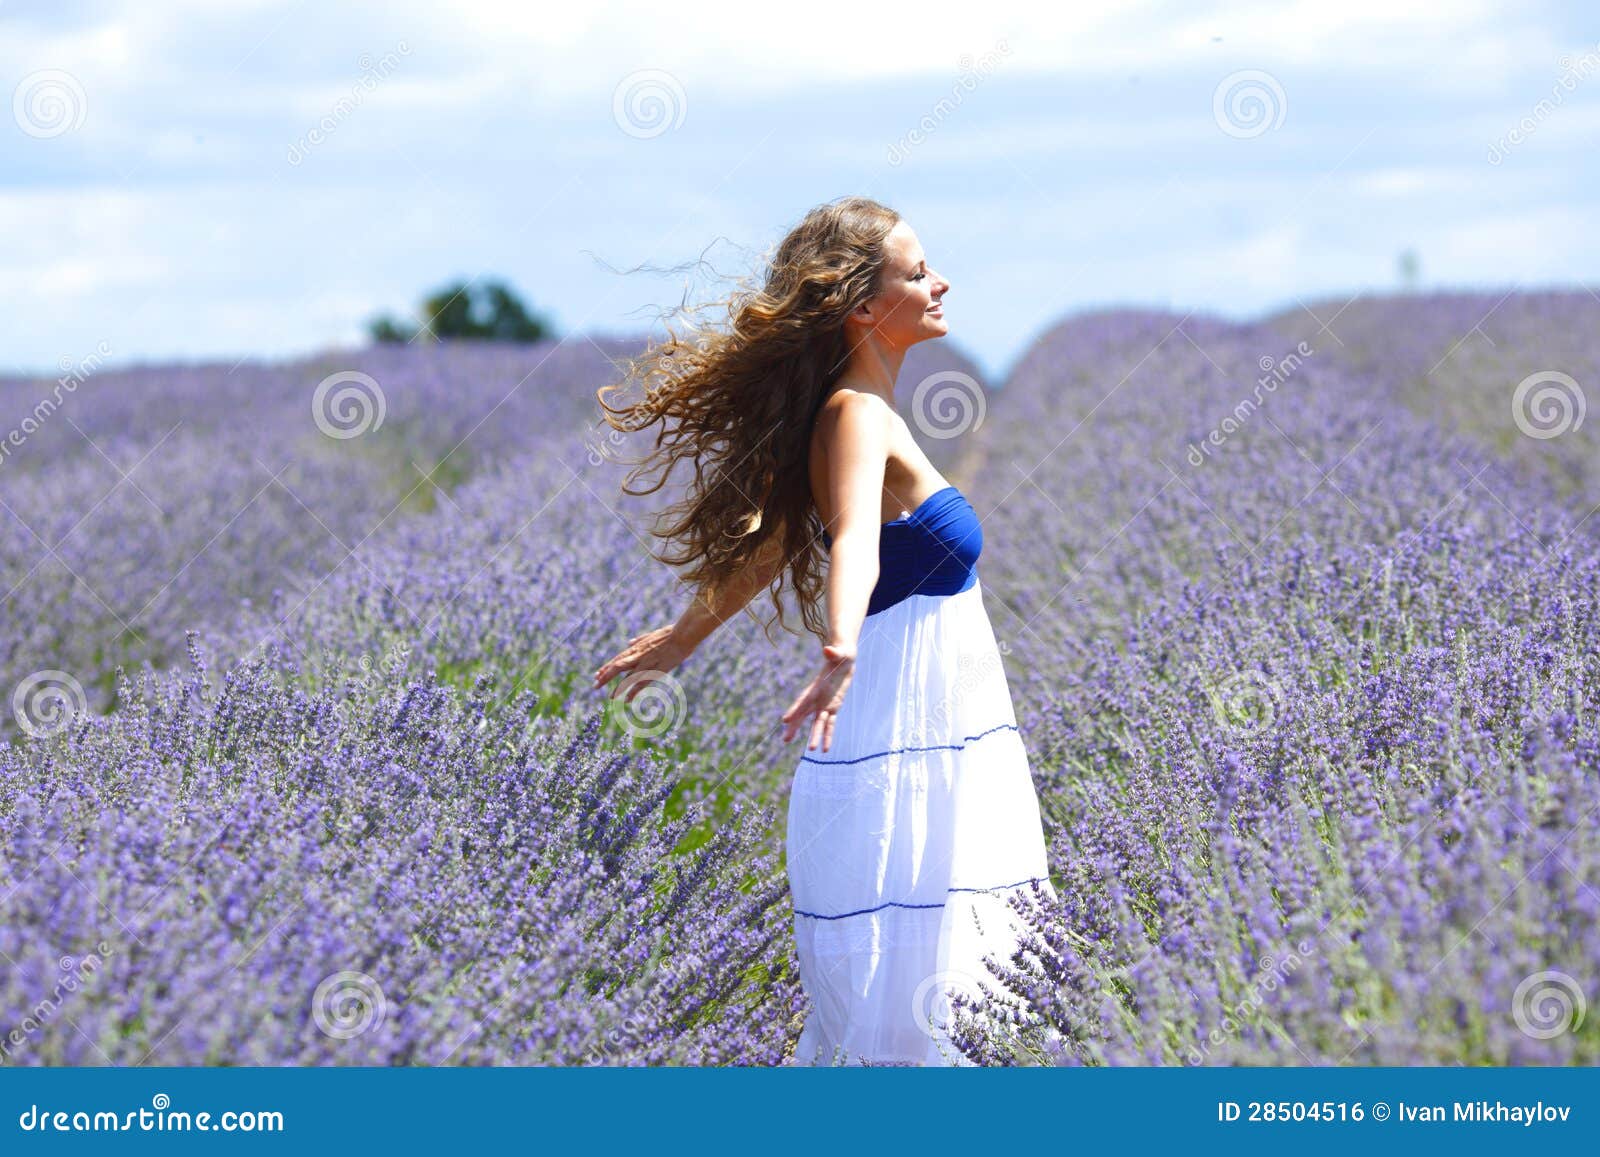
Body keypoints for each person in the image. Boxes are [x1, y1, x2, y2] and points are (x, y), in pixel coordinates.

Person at [590, 195, 1057, 1066]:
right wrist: (840, 643)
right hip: (901, 721)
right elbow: (851, 542)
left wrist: (684, 637)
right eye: (918, 273)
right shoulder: (855, 414)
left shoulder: (857, 411)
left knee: (939, 973)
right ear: (864, 308)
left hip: (925, 722)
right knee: (929, 978)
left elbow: (772, 547)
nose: (941, 282)